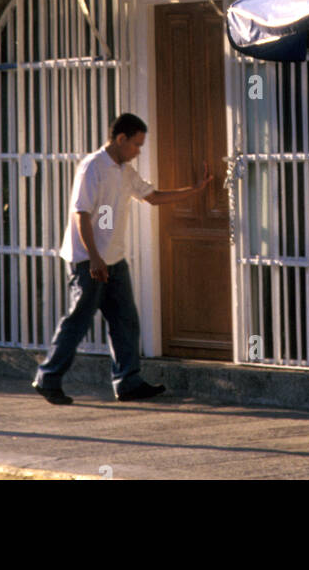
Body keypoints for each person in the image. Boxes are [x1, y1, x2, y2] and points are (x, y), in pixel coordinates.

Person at [32, 112, 210, 404]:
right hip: (88, 261)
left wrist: (195, 191)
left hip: (114, 260)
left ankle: (127, 382)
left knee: (126, 320)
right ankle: (47, 378)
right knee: (78, 320)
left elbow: (152, 196)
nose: (138, 151)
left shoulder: (125, 171)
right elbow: (81, 215)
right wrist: (94, 260)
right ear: (120, 139)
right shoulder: (92, 167)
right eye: (136, 145)